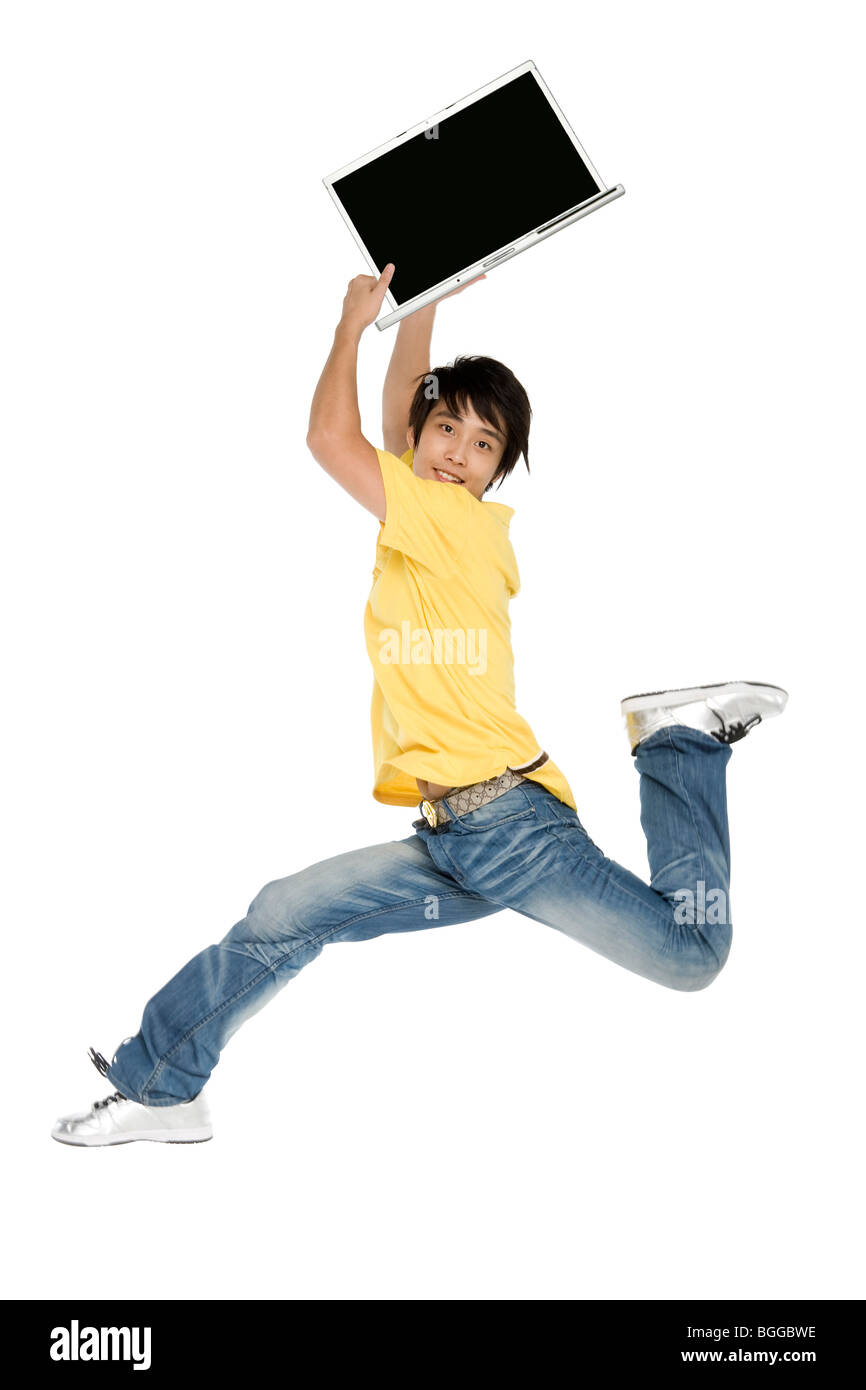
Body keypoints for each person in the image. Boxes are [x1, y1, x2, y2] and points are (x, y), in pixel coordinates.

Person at [51, 264, 787, 1146]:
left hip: (514, 835)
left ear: (497, 472)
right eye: (447, 429)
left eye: (484, 445)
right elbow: (408, 400)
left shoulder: (446, 521)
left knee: (692, 953)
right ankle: (163, 1087)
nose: (456, 452)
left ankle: (680, 747)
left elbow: (332, 439)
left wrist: (350, 326)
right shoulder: (428, 515)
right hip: (454, 839)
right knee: (284, 910)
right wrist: (426, 304)